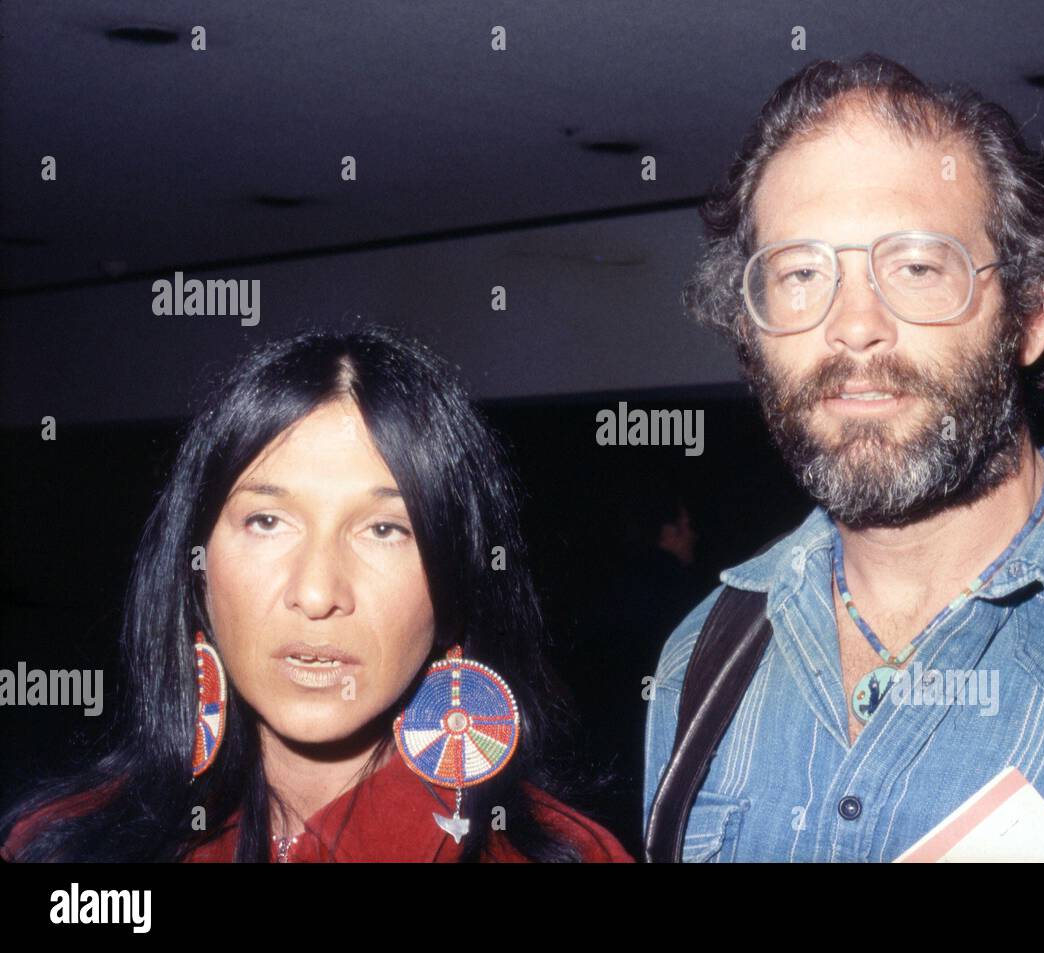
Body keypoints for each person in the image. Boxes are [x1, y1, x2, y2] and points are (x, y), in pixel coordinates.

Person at [643, 52, 1044, 862]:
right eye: (801, 272)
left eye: (917, 267)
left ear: (1031, 315)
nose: (853, 326)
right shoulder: (697, 662)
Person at [1, 325, 631, 862]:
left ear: (454, 584)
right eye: (267, 522)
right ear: (197, 566)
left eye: (386, 529)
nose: (315, 592)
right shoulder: (60, 848)